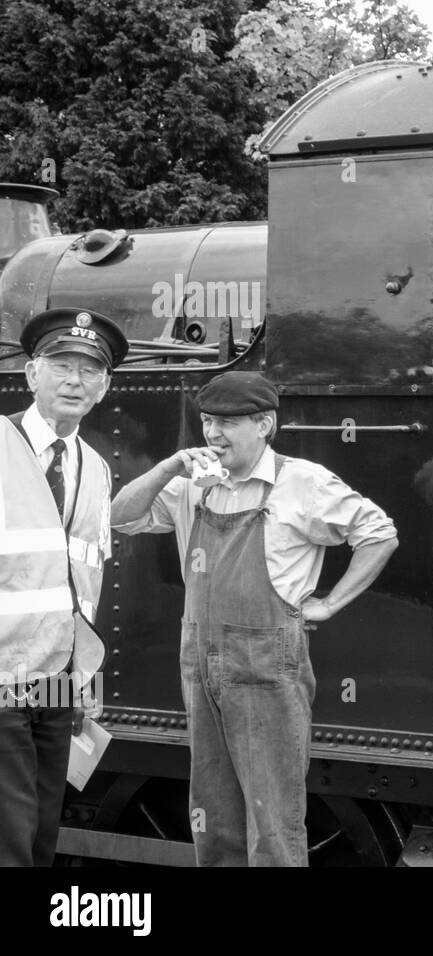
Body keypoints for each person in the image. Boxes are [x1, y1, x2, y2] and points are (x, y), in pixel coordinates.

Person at [110, 371, 398, 866]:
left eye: (227, 423)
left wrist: (329, 604)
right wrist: (167, 469)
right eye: (207, 422)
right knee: (213, 812)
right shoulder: (191, 487)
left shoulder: (301, 481)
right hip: (201, 666)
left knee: (272, 820)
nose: (214, 434)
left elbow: (378, 533)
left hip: (267, 667)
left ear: (265, 424)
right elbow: (120, 516)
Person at [0, 307, 127, 866]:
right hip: (1, 678)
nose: (75, 380)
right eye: (61, 365)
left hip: (56, 683)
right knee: (9, 836)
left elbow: (81, 578)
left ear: (104, 387)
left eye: (90, 370)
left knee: (42, 832)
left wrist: (79, 682)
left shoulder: (95, 468)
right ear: (31, 374)